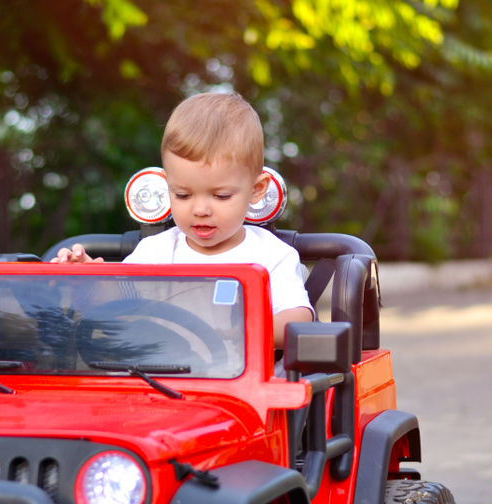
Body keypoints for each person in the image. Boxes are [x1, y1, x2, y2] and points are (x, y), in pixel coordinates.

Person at [51, 92, 313, 348]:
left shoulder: (270, 254)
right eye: (183, 195)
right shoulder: (156, 252)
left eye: (221, 196)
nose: (200, 209)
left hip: (249, 376)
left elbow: (299, 319)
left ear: (257, 189)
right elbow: (114, 304)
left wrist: (250, 331)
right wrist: (86, 281)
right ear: (167, 187)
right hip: (163, 373)